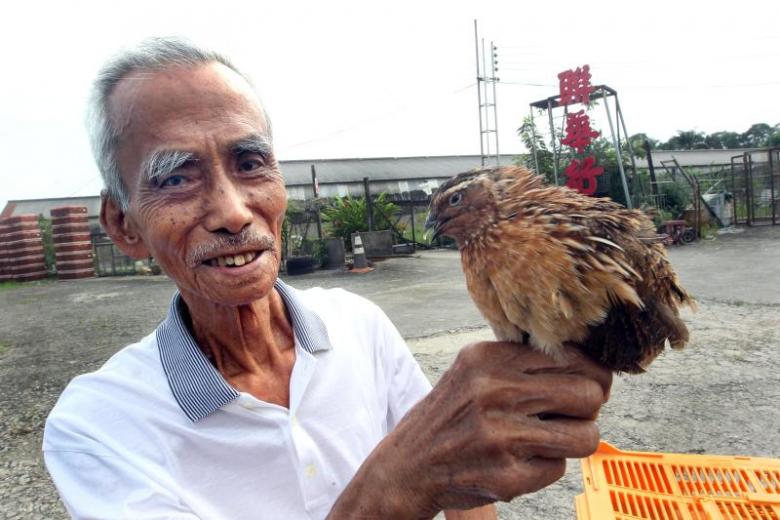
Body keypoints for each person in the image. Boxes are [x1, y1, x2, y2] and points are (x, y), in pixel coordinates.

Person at [43, 37, 612, 519]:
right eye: (175, 179)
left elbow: (463, 482)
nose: (233, 211)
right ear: (123, 224)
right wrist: (395, 486)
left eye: (249, 164)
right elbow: (424, 469)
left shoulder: (358, 323)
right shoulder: (98, 427)